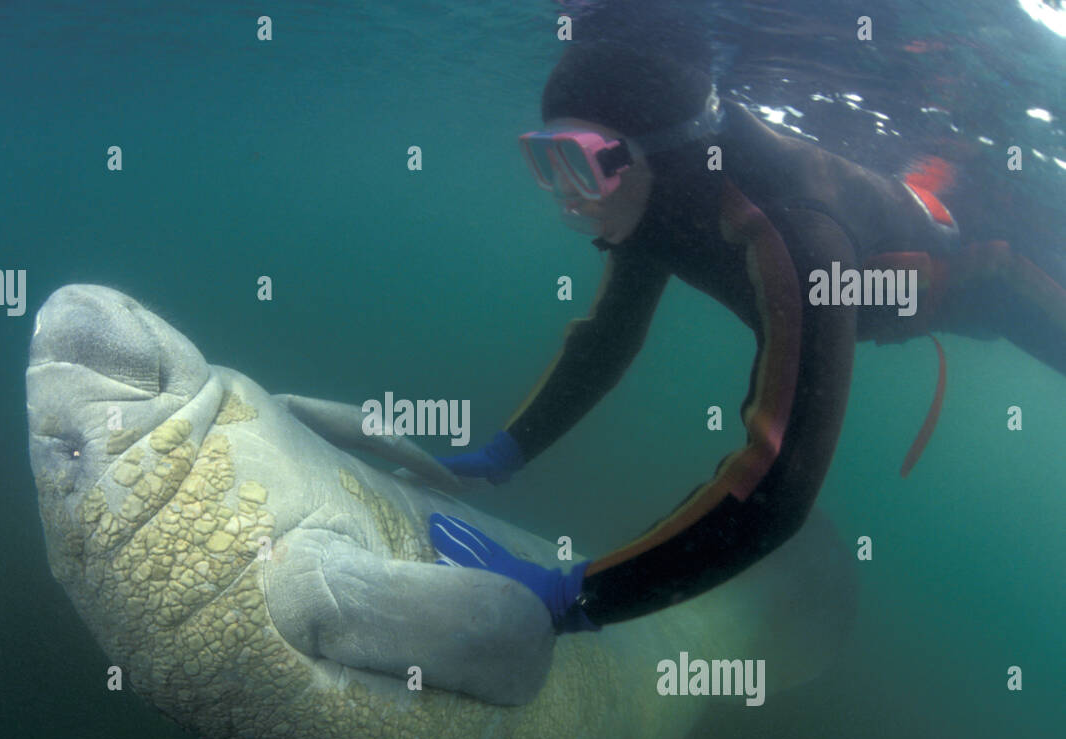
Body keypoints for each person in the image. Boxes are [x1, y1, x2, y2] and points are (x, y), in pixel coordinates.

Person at [428, 43, 1066, 633]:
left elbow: (780, 490)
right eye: (545, 161)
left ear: (651, 152)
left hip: (1000, 274)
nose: (568, 197)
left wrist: (572, 598)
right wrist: (504, 454)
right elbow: (608, 338)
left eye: (578, 165)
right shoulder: (656, 195)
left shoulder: (791, 233)